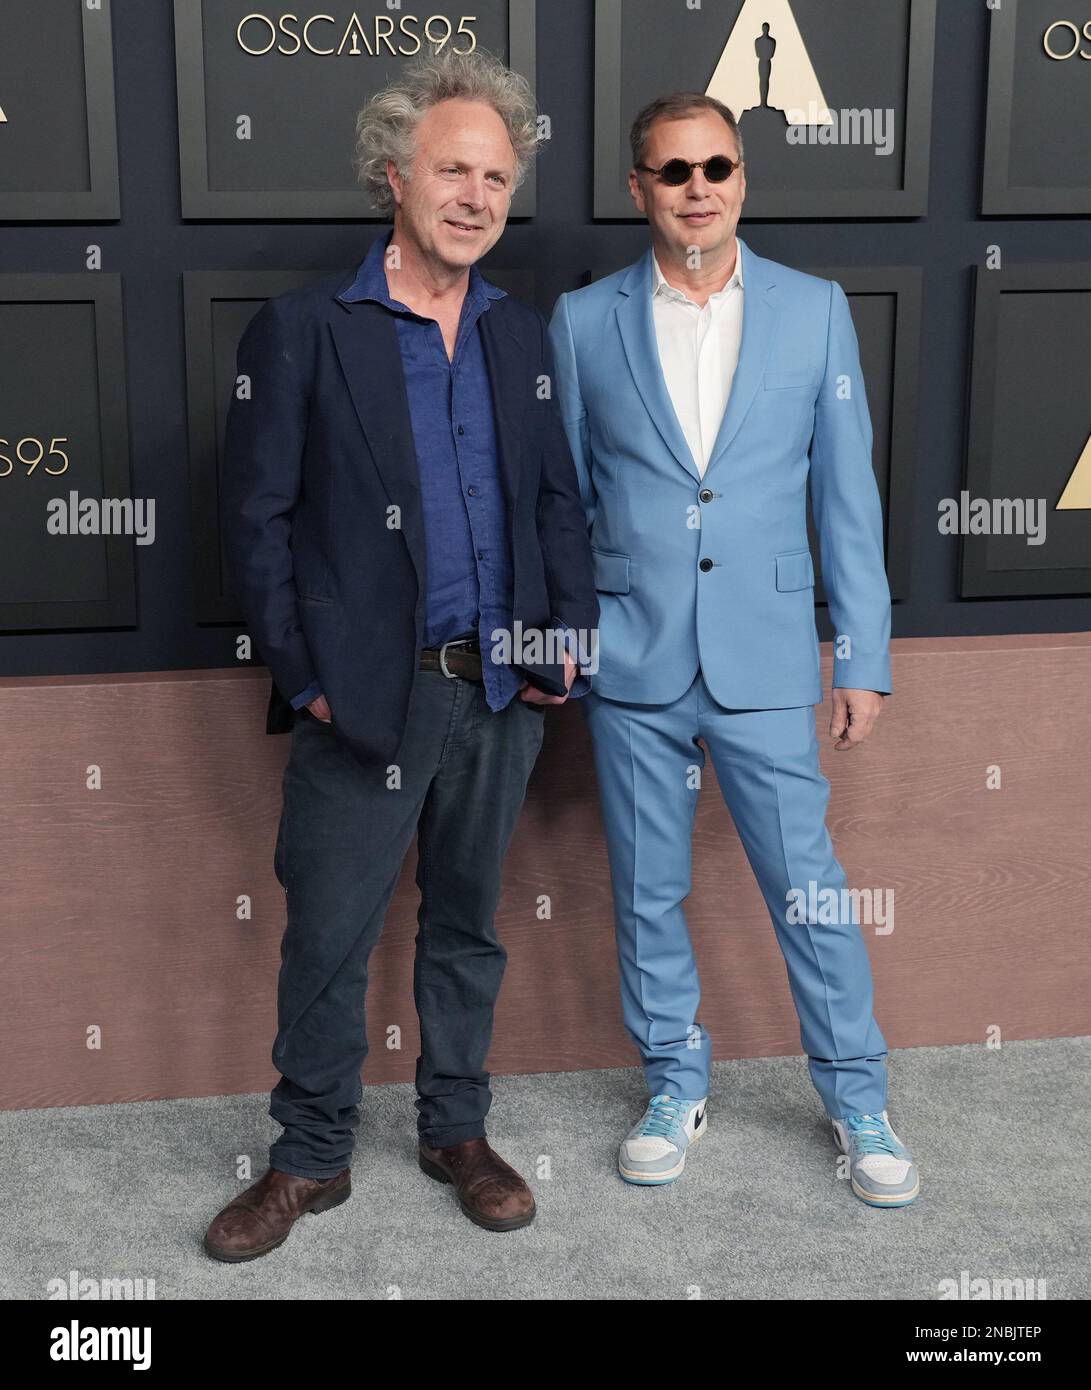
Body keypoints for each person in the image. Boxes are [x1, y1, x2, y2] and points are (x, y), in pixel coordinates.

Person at [206, 48, 597, 1261]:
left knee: (468, 923)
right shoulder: (305, 330)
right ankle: (309, 1156)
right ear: (394, 176)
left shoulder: (517, 332)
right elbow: (256, 521)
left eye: (495, 176)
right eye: (452, 171)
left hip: (499, 695)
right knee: (328, 933)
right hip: (365, 701)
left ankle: (454, 1131)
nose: (476, 196)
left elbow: (555, 506)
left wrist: (560, 647)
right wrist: (309, 677)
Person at [549, 92, 919, 1207]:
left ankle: (857, 1099)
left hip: (763, 655)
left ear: (743, 178)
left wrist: (858, 654)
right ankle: (673, 1078)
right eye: (672, 171)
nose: (696, 186)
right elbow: (560, 502)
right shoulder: (580, 321)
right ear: (638, 190)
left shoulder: (812, 312)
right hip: (633, 655)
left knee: (807, 888)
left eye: (715, 166)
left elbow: (844, 495)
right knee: (646, 888)